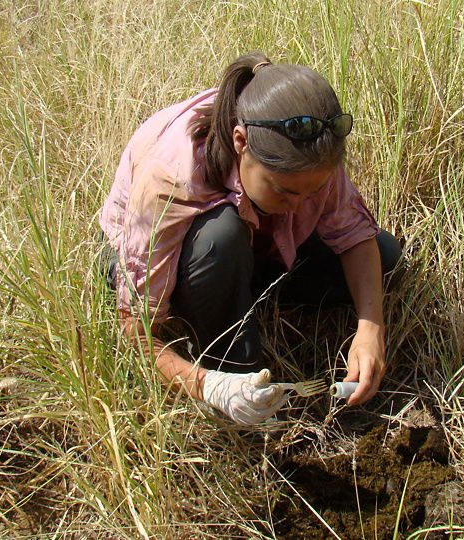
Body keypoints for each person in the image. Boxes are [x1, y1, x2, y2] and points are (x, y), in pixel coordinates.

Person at [98, 51, 401, 425]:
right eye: (286, 191)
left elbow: (354, 236)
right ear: (240, 142)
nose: (300, 205)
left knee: (384, 255)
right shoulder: (171, 175)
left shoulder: (313, 149)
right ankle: (231, 359)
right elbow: (137, 334)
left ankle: (242, 290)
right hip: (171, 253)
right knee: (221, 238)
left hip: (253, 238)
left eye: (314, 191)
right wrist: (210, 386)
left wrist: (371, 329)